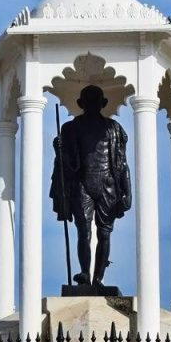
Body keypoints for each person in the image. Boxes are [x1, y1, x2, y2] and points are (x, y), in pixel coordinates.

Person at [49, 85, 132, 288]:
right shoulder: (70, 129)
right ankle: (85, 273)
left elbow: (122, 163)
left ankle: (98, 278)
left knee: (104, 233)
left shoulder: (114, 129)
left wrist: (128, 191)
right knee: (83, 230)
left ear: (102, 104)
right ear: (80, 104)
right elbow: (66, 162)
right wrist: (58, 149)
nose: (92, 105)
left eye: (96, 101)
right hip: (81, 184)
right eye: (88, 102)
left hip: (108, 184)